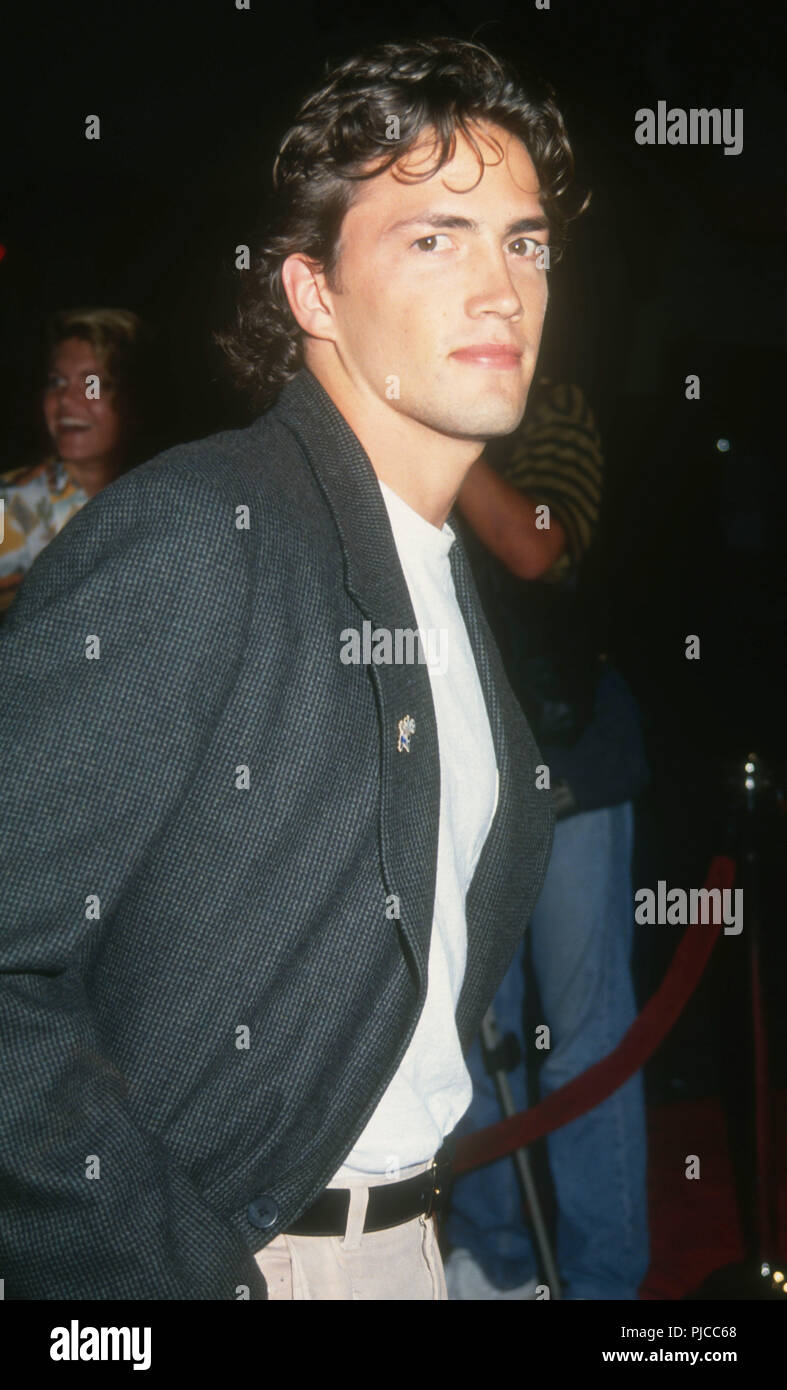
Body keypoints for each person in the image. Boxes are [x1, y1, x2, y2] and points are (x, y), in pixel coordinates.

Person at [0, 37, 587, 1300]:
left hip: (407, 1248)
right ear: (312, 295)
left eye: (523, 241)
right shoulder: (205, 531)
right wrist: (173, 1273)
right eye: (435, 238)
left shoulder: (427, 565)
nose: (501, 289)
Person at [444, 378, 651, 1299]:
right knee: (469, 1035)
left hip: (568, 754)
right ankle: (494, 1261)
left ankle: (603, 1285)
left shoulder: (559, 406)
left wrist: (440, 444)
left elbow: (533, 547)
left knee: (581, 1039)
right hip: (461, 768)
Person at [0, 307, 151, 617]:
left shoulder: (159, 499)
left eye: (92, 384)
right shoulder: (10, 505)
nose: (66, 399)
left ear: (130, 399)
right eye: (56, 382)